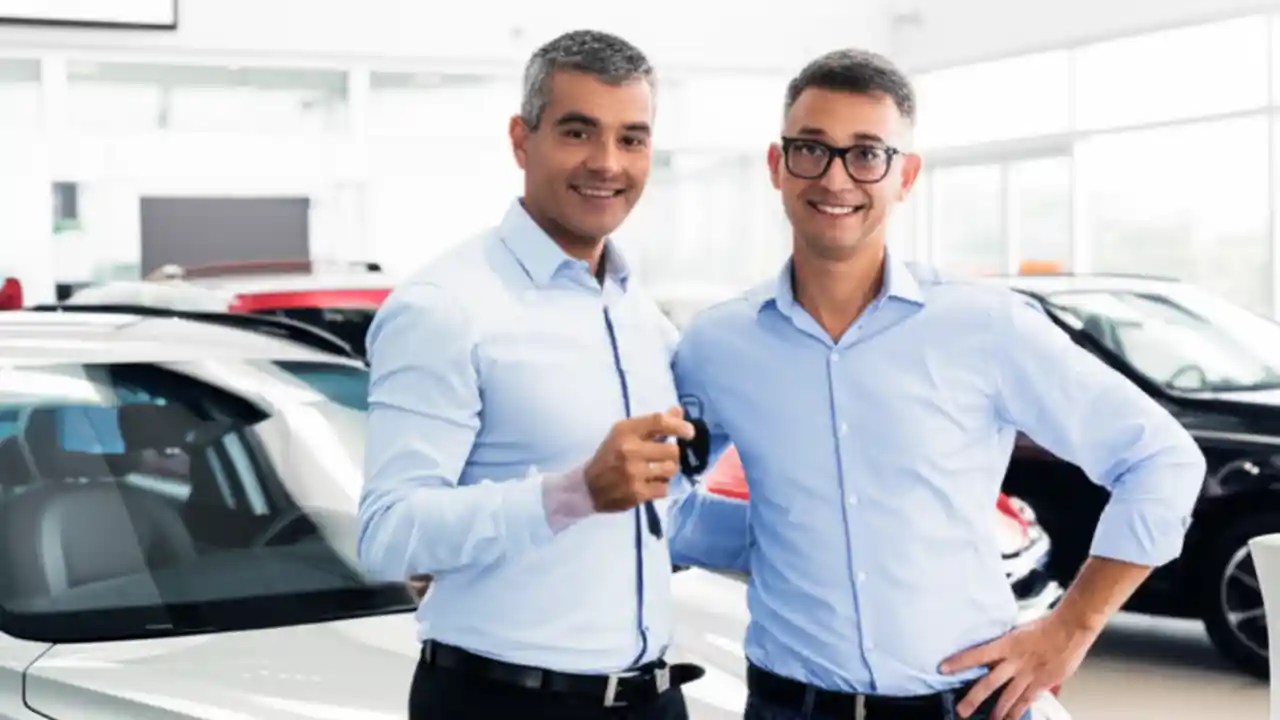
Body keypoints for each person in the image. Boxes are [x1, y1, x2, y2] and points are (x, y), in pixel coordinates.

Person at [670, 48, 1206, 720]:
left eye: (867, 153)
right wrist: (779, 533)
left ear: (905, 175)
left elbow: (1161, 458)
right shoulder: (717, 345)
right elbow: (663, 503)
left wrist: (1071, 629)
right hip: (787, 707)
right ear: (778, 166)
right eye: (812, 149)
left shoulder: (986, 325)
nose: (836, 177)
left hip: (963, 706)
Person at [357, 29, 744, 720]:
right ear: (520, 139)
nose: (607, 162)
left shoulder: (635, 310)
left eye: (632, 138)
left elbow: (663, 512)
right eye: (577, 131)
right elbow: (390, 533)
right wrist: (573, 492)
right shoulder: (445, 307)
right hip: (503, 702)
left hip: (651, 698)